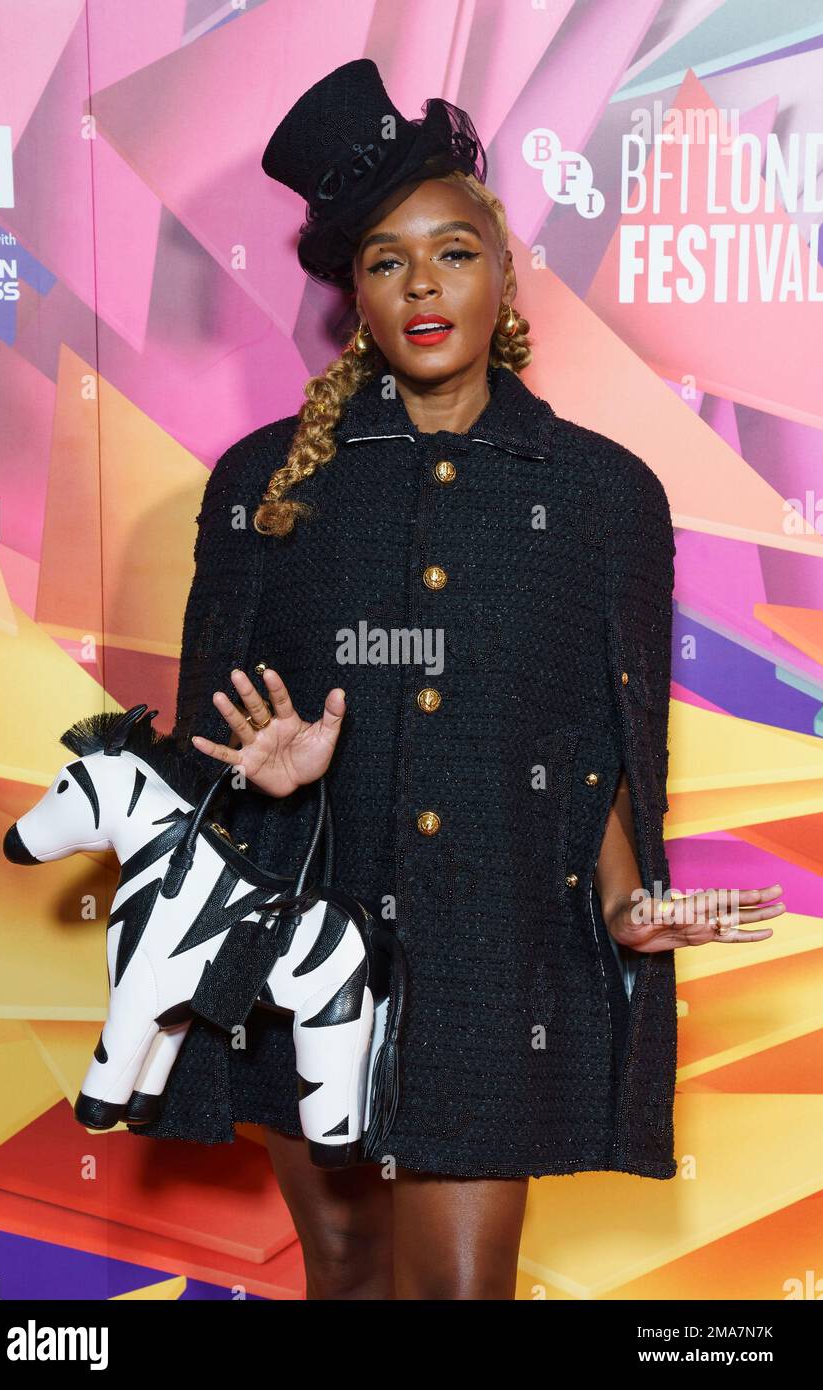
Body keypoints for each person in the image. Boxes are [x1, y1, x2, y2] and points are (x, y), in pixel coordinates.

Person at [132, 61, 786, 1300]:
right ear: (354, 295)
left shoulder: (604, 498)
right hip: (304, 933)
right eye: (386, 260)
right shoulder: (263, 486)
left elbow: (602, 747)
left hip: (497, 947)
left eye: (451, 251)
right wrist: (259, 775)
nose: (422, 284)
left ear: (502, 269)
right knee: (347, 1272)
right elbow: (198, 769)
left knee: (464, 1291)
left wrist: (626, 905)